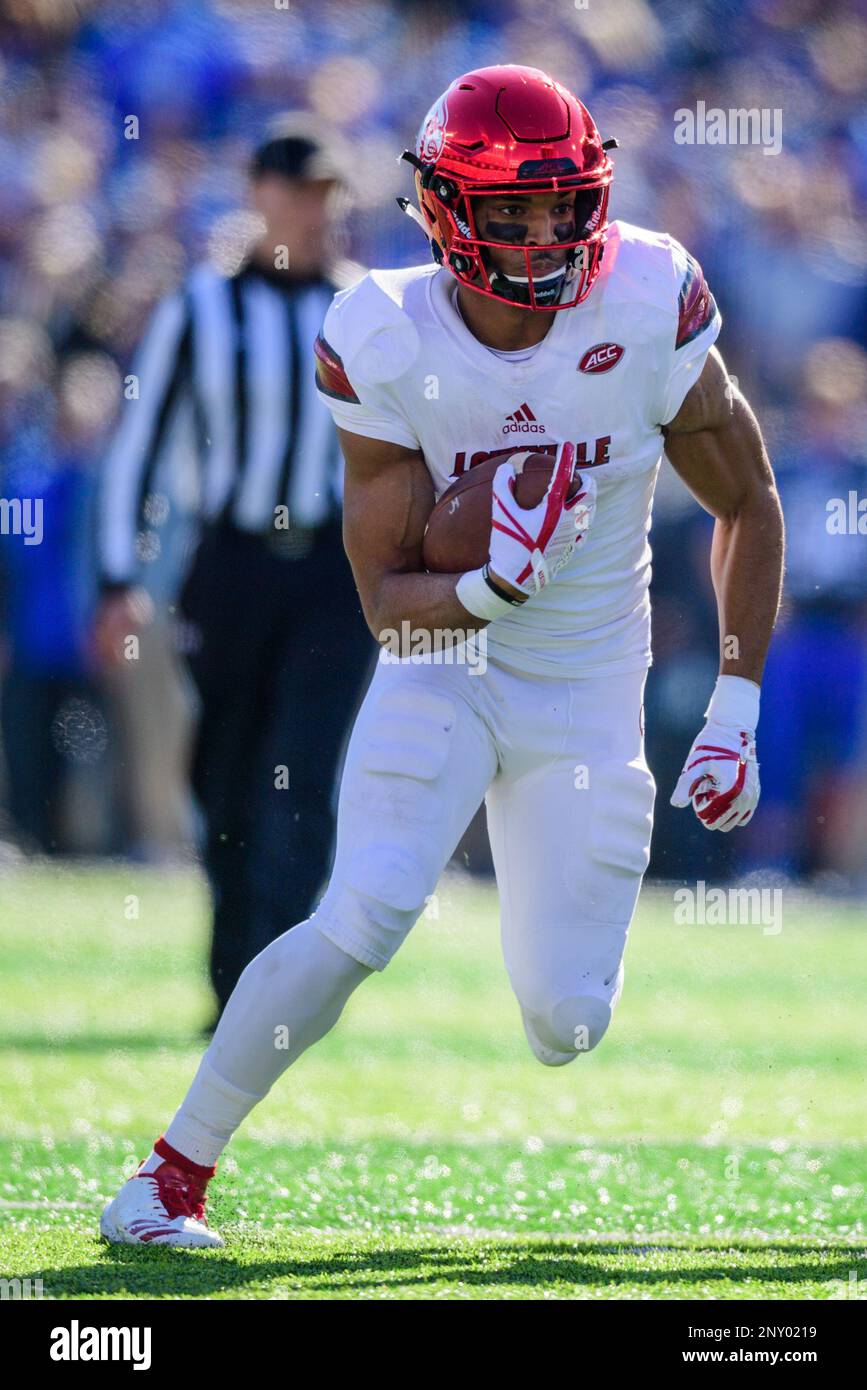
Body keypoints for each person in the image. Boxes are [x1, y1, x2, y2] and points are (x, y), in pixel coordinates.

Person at [99, 66, 784, 1247]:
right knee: (362, 910)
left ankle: (559, 938)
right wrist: (490, 581)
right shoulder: (382, 333)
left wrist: (735, 707)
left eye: (563, 203)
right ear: (443, 208)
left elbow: (750, 501)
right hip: (448, 664)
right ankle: (166, 1178)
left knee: (567, 1022)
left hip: (589, 688)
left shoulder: (648, 293)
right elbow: (388, 608)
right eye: (511, 208)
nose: (543, 234)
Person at [93, 115, 374, 1020]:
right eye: (297, 192)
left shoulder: (364, 307)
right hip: (232, 567)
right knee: (226, 773)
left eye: (325, 194)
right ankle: (232, 973)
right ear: (258, 195)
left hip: (332, 573)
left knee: (304, 770)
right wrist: (118, 577)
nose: (313, 211)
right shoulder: (199, 308)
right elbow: (139, 446)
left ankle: (274, 992)